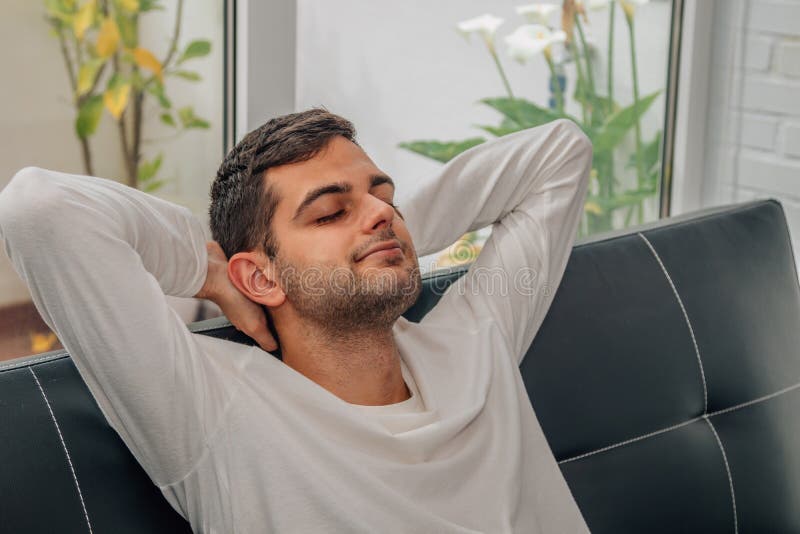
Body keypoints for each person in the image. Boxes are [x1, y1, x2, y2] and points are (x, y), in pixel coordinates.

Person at [0, 108, 592, 533]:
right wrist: (208, 270)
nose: (381, 212)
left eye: (385, 196)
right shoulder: (214, 413)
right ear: (260, 278)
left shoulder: (477, 339)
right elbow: (40, 209)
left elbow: (560, 151)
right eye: (329, 212)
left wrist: (381, 230)